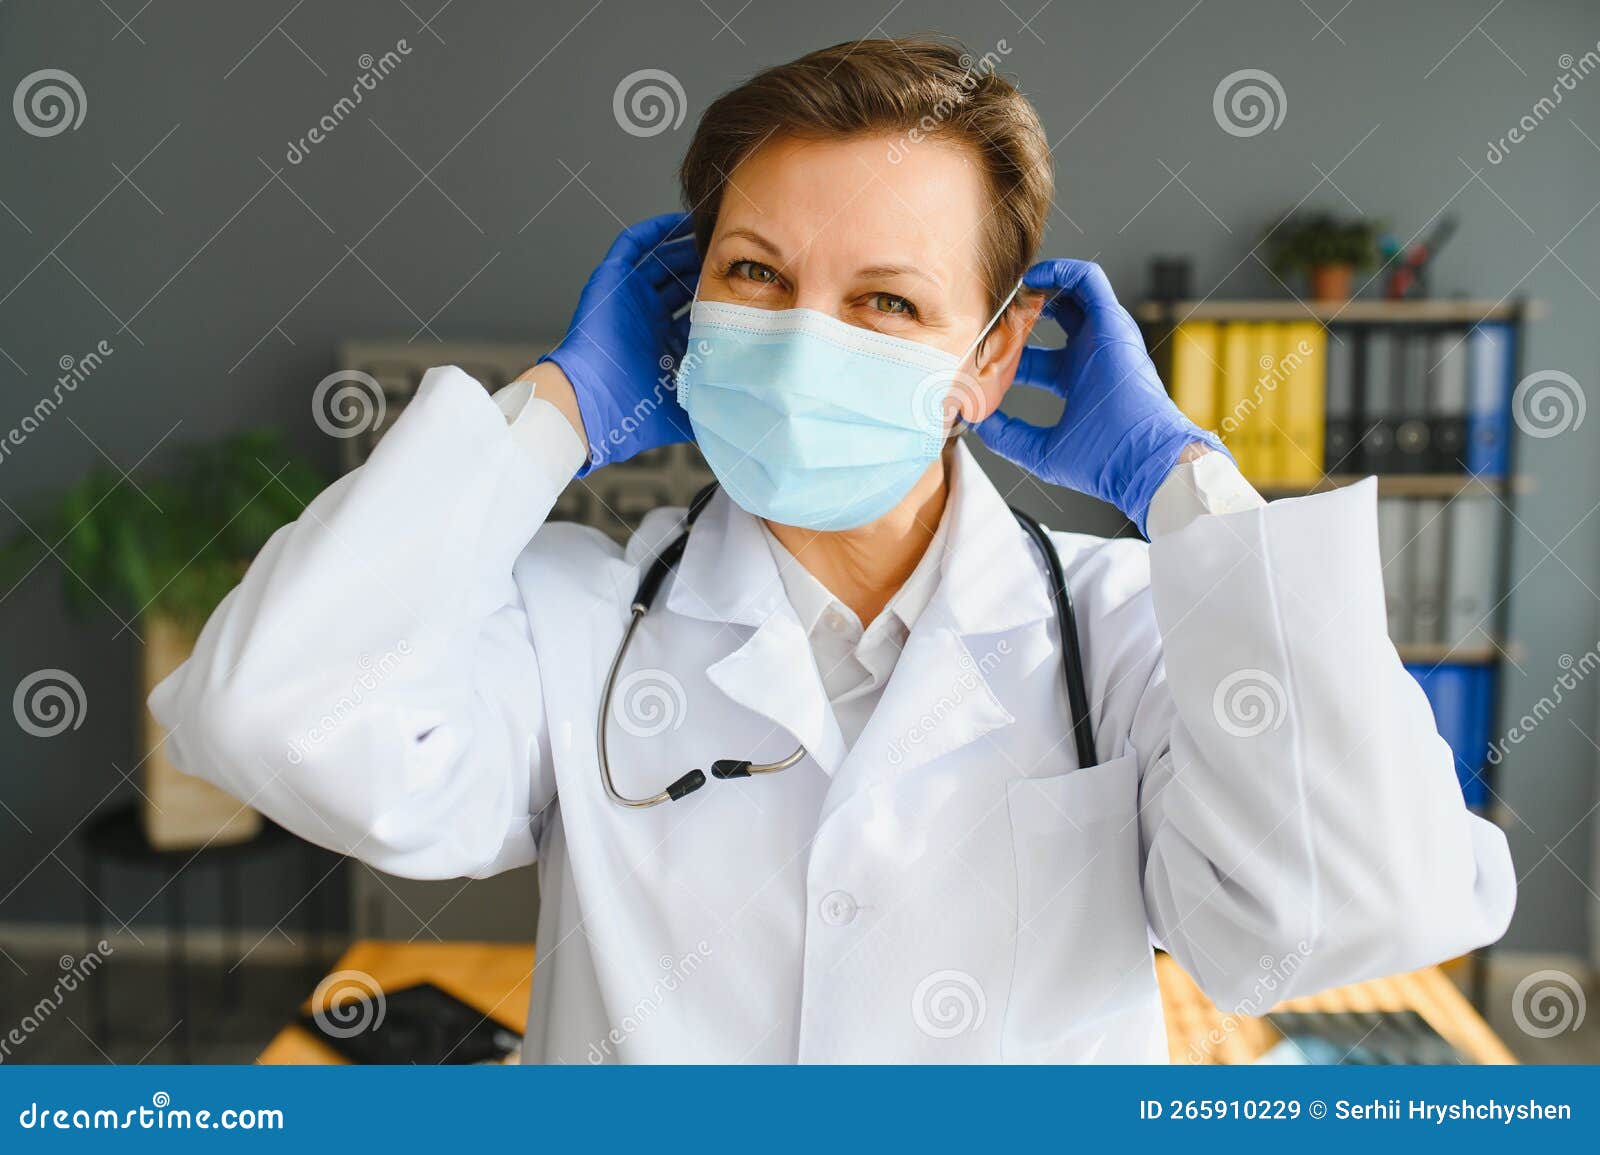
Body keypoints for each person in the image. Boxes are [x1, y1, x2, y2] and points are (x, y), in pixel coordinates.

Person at [151, 38, 1513, 1063]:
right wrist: (551, 415)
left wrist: (1184, 487)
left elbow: (1361, 906)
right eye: (755, 274)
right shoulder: (579, 612)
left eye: (886, 299)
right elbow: (268, 715)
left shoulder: (1131, 628)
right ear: (685, 320)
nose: (806, 338)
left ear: (990, 364)